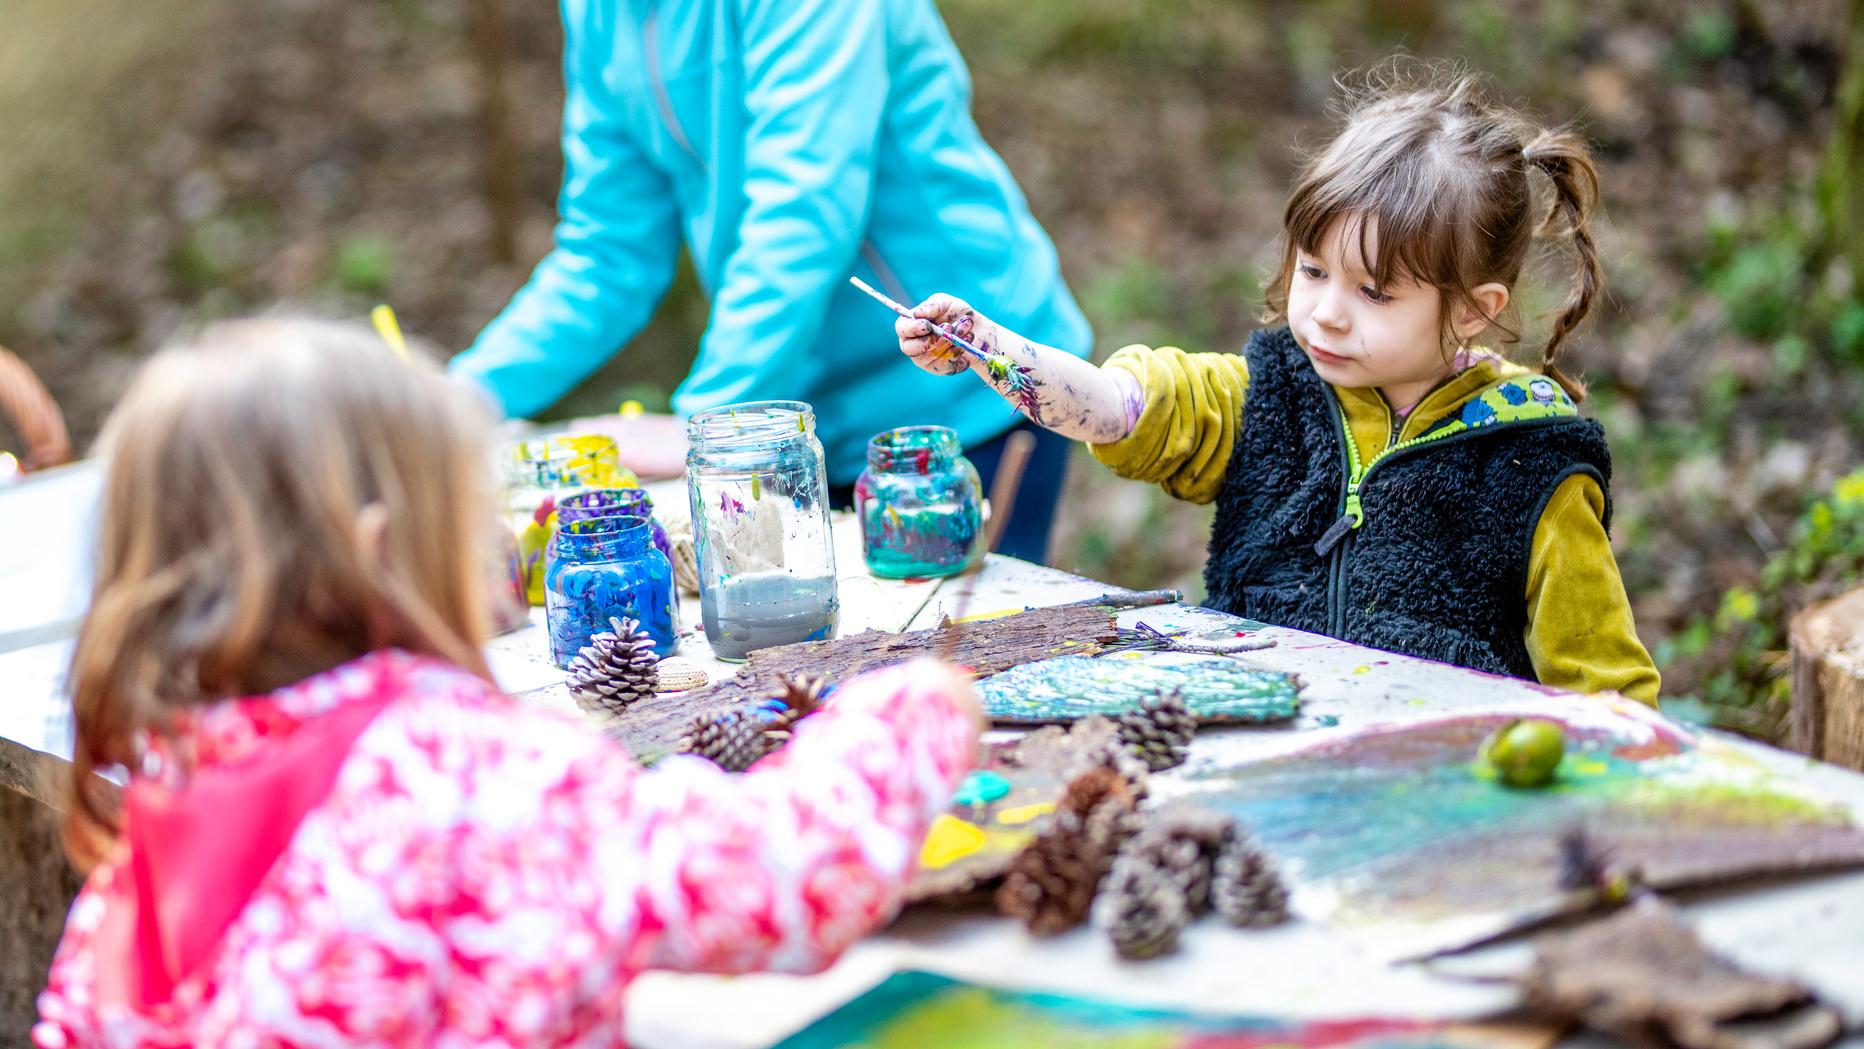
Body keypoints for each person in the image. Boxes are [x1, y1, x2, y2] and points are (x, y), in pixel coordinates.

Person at [35, 319, 983, 1048]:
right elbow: (781, 874)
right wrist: (912, 713)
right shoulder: (463, 777)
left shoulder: (152, 827)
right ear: (377, 559)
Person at [893, 67, 1660, 704]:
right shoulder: (1266, 397)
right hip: (1255, 763)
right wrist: (987, 347)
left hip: (1429, 795)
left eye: (1374, 293)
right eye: (1315, 271)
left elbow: (1609, 691)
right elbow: (1118, 408)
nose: (1325, 314)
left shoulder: (1531, 460)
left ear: (1470, 310)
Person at [449, 0, 1092, 564]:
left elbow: (806, 207)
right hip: (792, 407)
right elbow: (607, 249)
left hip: (957, 388)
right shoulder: (598, 10)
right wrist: (461, 399)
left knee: (958, 675)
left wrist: (706, 424)